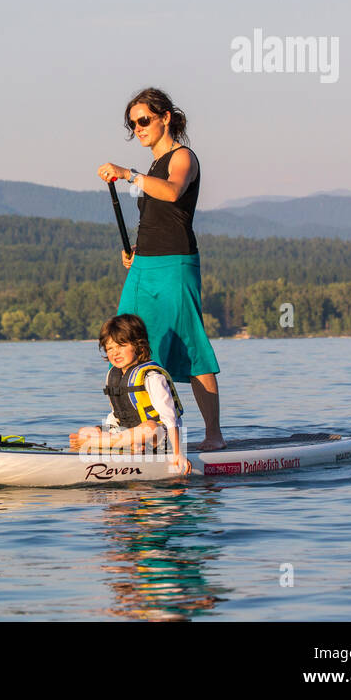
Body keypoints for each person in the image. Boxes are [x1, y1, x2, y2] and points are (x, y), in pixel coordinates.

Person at [97, 87, 225, 449]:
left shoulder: (183, 157)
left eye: (143, 121)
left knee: (191, 345)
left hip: (176, 264)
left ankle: (213, 436)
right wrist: (137, 249)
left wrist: (128, 174)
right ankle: (134, 430)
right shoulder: (152, 166)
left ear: (165, 117)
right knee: (123, 341)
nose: (137, 128)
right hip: (144, 265)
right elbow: (157, 218)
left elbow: (171, 192)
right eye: (132, 124)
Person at [70, 314, 191, 475]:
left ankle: (105, 444)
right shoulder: (113, 376)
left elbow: (170, 418)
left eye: (121, 346)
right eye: (110, 348)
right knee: (85, 432)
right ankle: (117, 445)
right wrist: (105, 430)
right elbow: (116, 413)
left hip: (161, 438)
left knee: (148, 429)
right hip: (127, 433)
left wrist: (178, 454)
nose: (115, 353)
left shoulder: (152, 377)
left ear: (139, 346)